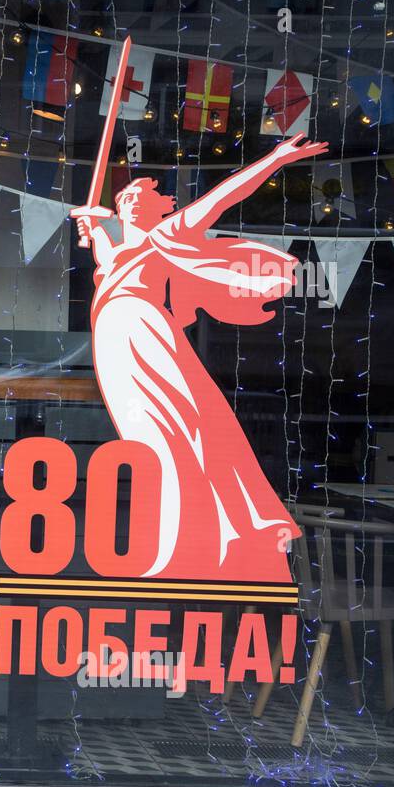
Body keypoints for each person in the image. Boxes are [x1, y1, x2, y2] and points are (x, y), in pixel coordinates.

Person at [70, 133, 327, 584]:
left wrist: (276, 159)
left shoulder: (169, 233)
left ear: (157, 208)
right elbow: (103, 246)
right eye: (127, 197)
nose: (130, 202)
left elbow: (226, 195)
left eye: (141, 197)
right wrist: (90, 225)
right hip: (114, 339)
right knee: (146, 434)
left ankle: (194, 540)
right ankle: (172, 539)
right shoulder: (110, 243)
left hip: (146, 333)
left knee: (182, 429)